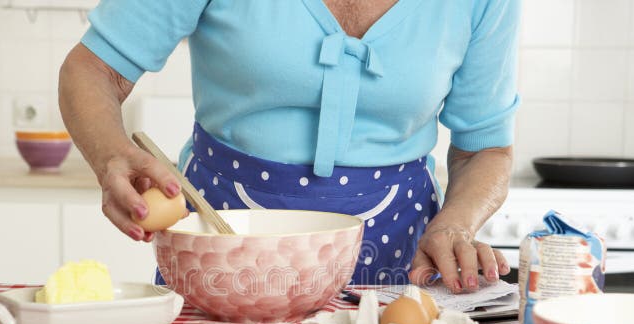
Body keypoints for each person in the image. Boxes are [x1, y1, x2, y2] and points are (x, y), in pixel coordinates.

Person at [59, 0, 520, 292]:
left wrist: (455, 226)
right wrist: (111, 154)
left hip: (401, 255)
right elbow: (95, 68)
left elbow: (485, 147)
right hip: (223, 242)